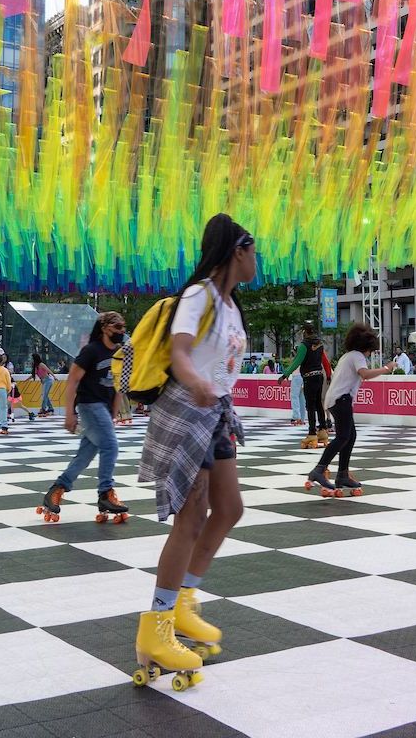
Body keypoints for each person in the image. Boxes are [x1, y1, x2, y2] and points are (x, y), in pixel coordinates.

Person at [135, 214, 255, 684]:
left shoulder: (229, 305)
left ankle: (184, 600)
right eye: (252, 251)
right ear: (236, 252)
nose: (256, 261)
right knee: (191, 517)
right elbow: (180, 351)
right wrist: (196, 383)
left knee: (229, 508)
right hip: (188, 410)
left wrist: (213, 391)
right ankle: (157, 626)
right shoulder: (199, 296)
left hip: (217, 411)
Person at [39, 312, 129, 518]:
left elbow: (118, 386)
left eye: (123, 327)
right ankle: (105, 492)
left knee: (84, 456)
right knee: (110, 446)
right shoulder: (91, 351)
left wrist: (113, 414)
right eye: (117, 327)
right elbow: (72, 380)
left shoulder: (119, 353)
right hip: (89, 405)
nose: (121, 331)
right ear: (105, 328)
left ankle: (56, 490)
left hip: (104, 409)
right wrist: (69, 414)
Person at [305, 324, 396, 494]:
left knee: (350, 436)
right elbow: (365, 374)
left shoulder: (347, 356)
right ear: (366, 346)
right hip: (342, 400)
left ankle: (342, 474)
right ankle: (318, 470)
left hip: (335, 400)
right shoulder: (358, 356)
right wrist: (386, 368)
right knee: (344, 437)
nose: (370, 354)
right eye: (371, 350)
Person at [278, 325, 332, 446]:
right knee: (319, 404)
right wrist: (328, 375)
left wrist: (285, 374)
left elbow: (297, 361)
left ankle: (312, 433)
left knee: (311, 406)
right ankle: (323, 431)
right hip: (319, 376)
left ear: (305, 333)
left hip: (309, 377)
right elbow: (325, 361)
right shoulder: (319, 344)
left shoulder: (304, 345)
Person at [289, 355, 307, 426]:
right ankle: (302, 419)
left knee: (294, 397)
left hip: (296, 376)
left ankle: (296, 417)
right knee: (302, 398)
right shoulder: (305, 356)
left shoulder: (297, 358)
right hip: (304, 376)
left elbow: (292, 366)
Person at [0, 355, 11, 434]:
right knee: (3, 408)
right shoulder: (5, 370)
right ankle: (4, 427)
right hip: (2, 389)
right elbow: (8, 381)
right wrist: (8, 390)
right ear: (1, 361)